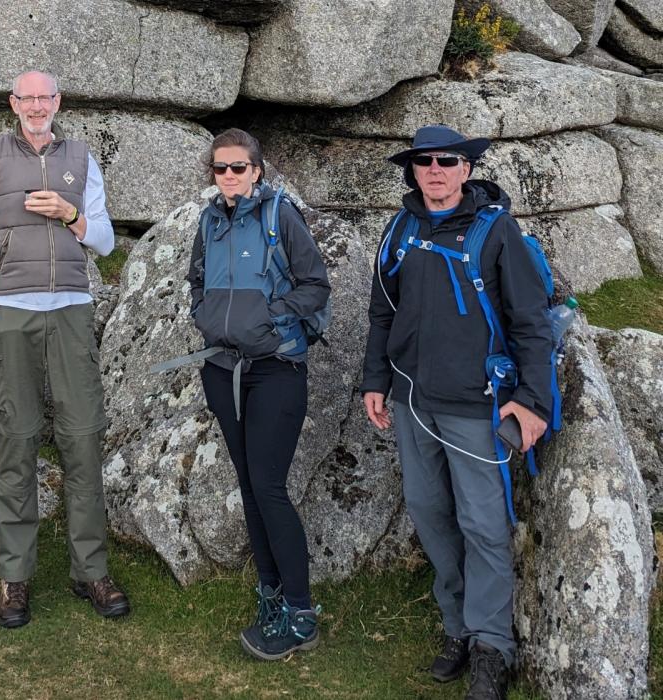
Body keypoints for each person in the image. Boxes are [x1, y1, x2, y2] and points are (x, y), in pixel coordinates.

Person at [361, 124, 553, 700]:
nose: (436, 170)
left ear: (467, 169)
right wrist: (376, 380)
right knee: (429, 514)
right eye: (424, 162)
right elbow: (381, 313)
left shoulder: (496, 232)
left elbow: (530, 321)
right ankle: (459, 628)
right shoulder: (399, 229)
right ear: (412, 171)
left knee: (484, 527)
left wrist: (533, 398)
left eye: (448, 160)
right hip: (412, 400)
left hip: (477, 405)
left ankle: (493, 646)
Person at [0, 70, 127, 629]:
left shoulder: (82, 158)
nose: (35, 106)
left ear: (57, 102)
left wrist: (70, 215)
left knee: (82, 439)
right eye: (25, 98)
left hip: (72, 311)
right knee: (18, 441)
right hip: (12, 312)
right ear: (13, 104)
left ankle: (90, 571)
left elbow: (104, 241)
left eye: (44, 97)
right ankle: (14, 578)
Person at [185, 128, 330, 661]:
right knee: (249, 485)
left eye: (238, 168)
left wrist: (265, 319)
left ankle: (300, 613)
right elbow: (196, 281)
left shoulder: (280, 217)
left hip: (275, 370)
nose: (229, 177)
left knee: (268, 486)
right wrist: (205, 316)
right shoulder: (209, 220)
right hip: (222, 370)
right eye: (220, 169)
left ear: (258, 170)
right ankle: (271, 598)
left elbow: (316, 284)